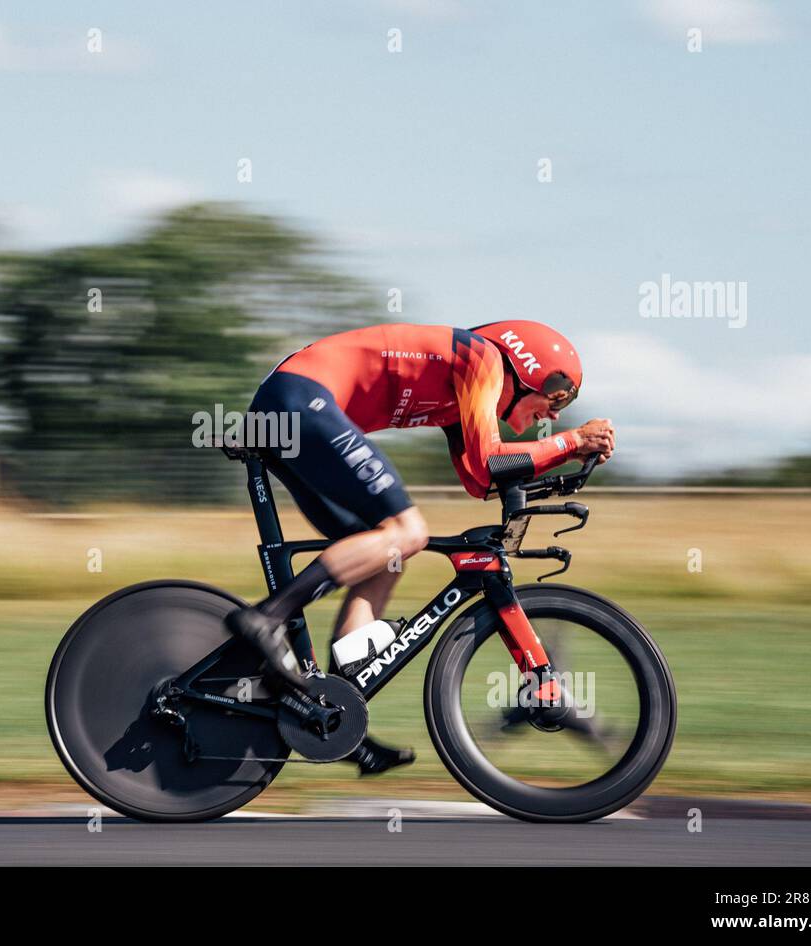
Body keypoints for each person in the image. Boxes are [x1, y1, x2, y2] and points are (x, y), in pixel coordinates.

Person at [226, 321, 615, 774]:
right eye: (557, 395)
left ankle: (334, 714)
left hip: (288, 405)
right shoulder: (481, 358)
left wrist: (563, 459)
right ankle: (266, 618)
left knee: (382, 551)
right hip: (300, 398)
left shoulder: (460, 400)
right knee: (407, 533)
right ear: (528, 368)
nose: (552, 414)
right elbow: (493, 461)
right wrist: (573, 441)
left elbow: (479, 477)